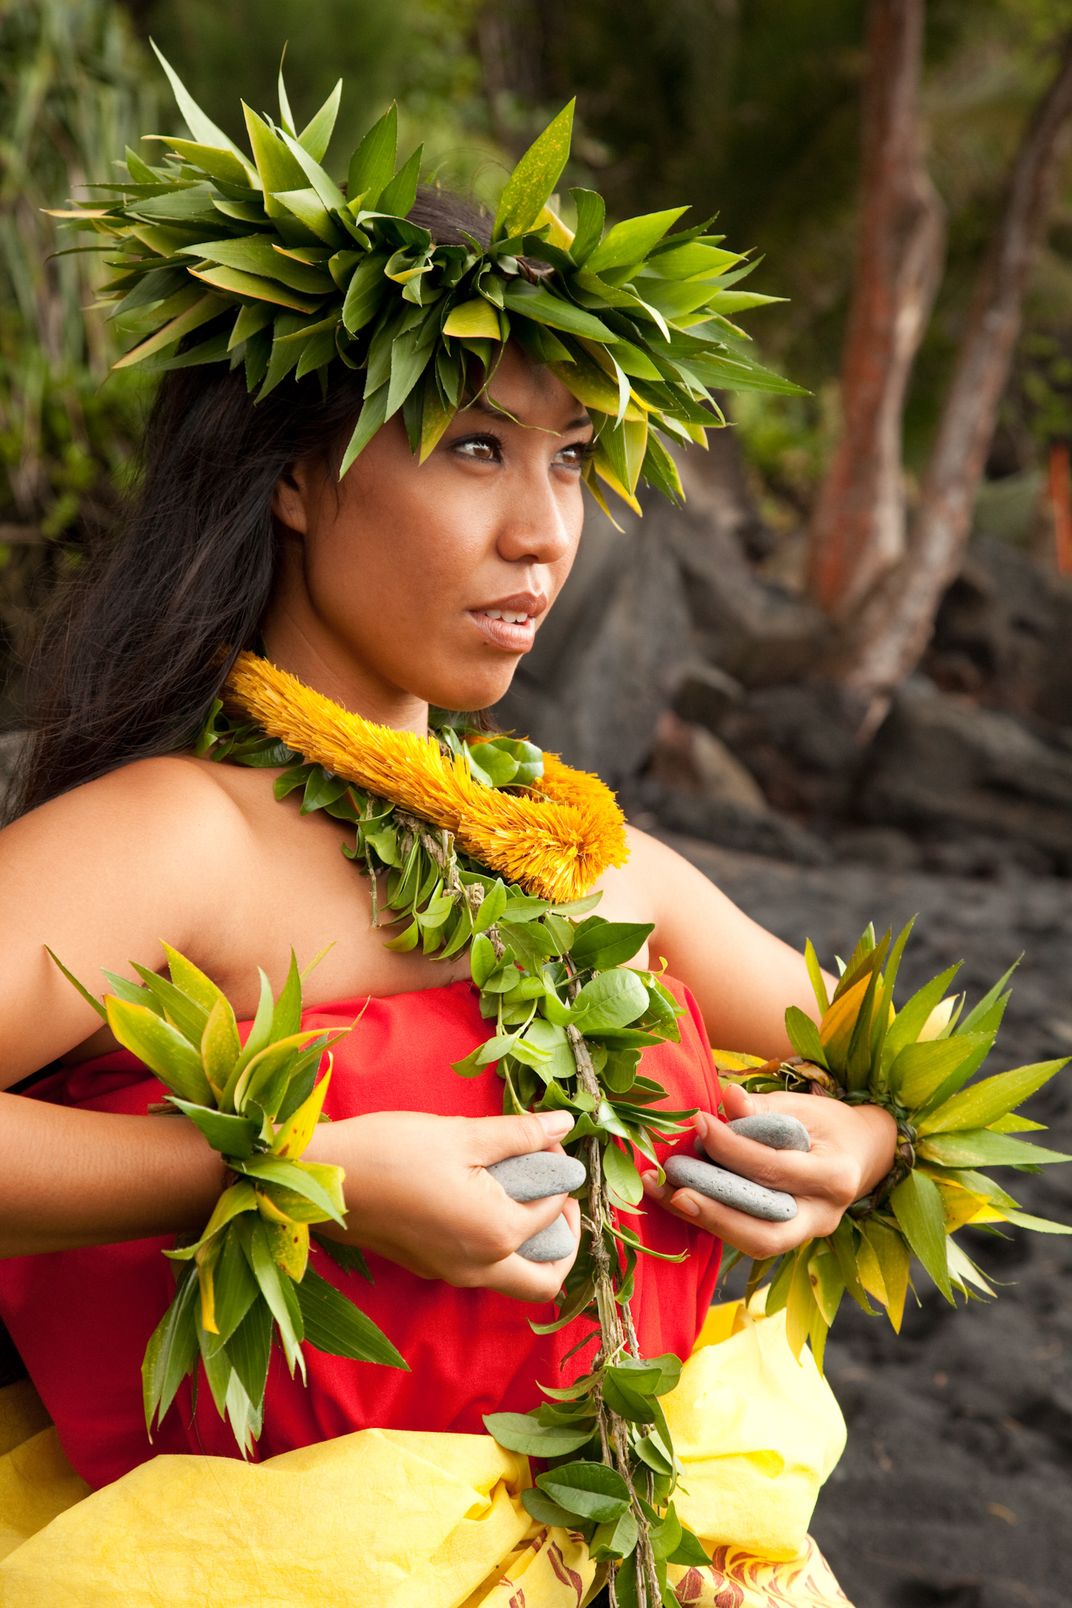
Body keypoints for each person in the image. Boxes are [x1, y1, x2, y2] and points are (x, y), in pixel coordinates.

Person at [0, 81, 895, 1605]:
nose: (545, 531)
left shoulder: (570, 845)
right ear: (289, 475)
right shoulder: (178, 840)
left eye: (571, 459)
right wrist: (290, 1171)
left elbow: (880, 1057)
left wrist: (856, 1149)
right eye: (476, 446)